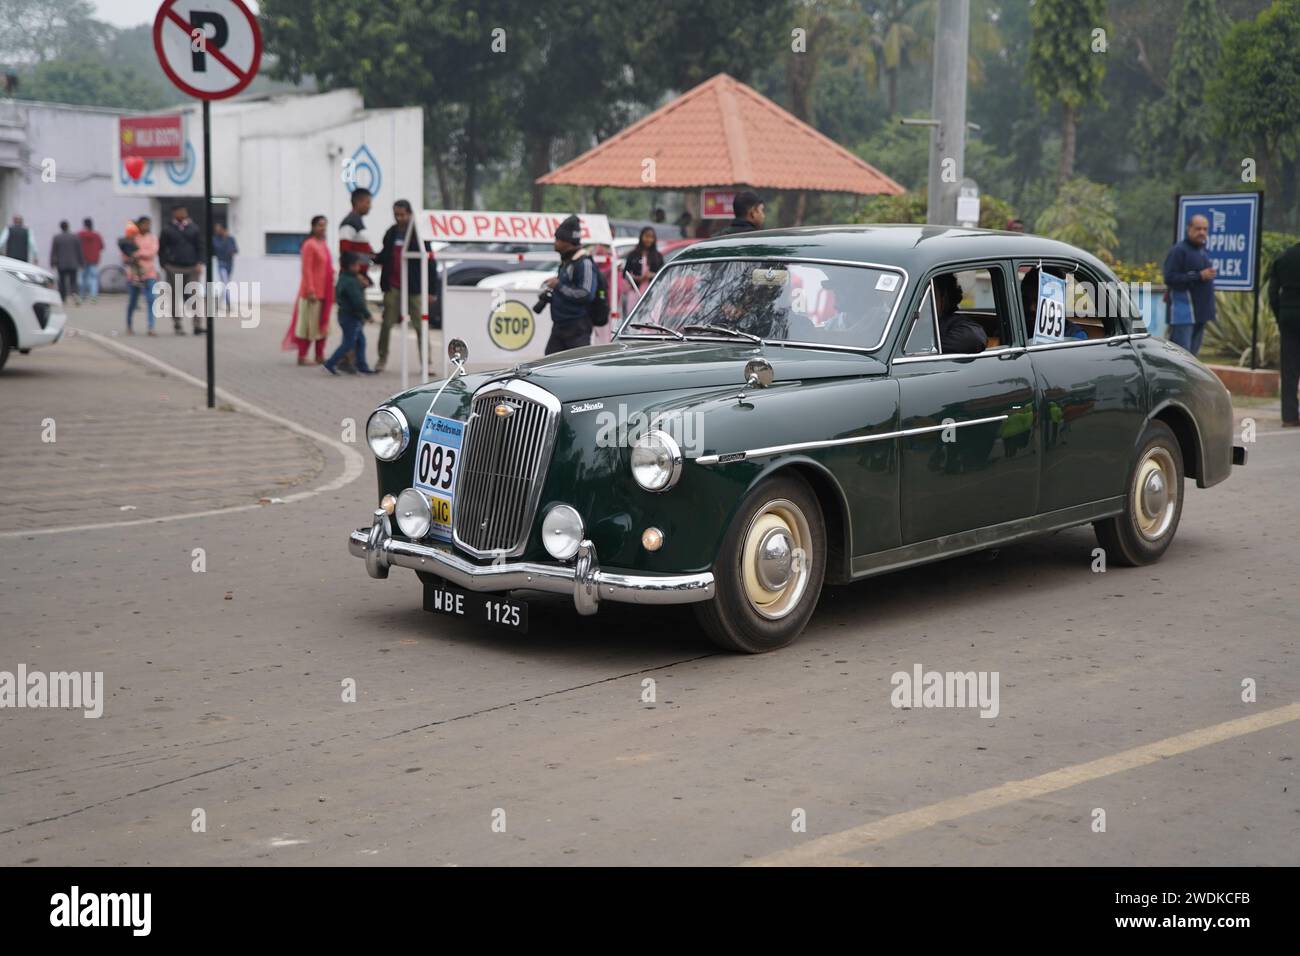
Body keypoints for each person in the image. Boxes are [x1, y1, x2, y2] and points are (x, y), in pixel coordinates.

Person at [375, 199, 436, 374]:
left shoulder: (420, 234)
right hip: (393, 286)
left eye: (402, 215)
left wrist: (431, 290)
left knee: (420, 326)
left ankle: (427, 362)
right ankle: (382, 358)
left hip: (415, 288)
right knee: (387, 324)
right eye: (396, 215)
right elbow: (385, 255)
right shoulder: (391, 233)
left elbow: (430, 263)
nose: (399, 218)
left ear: (410, 214)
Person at [1162, 214, 1217, 355]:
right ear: (1189, 229)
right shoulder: (1179, 251)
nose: (1202, 233)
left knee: (1193, 358)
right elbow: (1170, 278)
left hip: (1201, 313)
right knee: (1181, 357)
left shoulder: (1203, 251)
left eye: (1205, 229)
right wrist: (1199, 275)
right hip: (1184, 314)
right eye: (1198, 229)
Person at [282, 215, 333, 365]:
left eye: (325, 225)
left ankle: (319, 355)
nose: (322, 228)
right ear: (313, 227)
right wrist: (311, 290)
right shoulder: (309, 245)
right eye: (319, 225)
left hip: (324, 291)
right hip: (312, 293)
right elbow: (307, 269)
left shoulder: (323, 244)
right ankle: (302, 356)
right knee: (308, 326)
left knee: (322, 325)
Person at [543, 214, 597, 355]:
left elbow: (586, 293)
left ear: (568, 242)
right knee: (548, 367)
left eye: (558, 240)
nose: (555, 243)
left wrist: (559, 286)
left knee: (577, 369)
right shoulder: (567, 261)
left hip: (577, 328)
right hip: (560, 326)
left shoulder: (584, 262)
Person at [324, 252, 375, 375]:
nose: (359, 268)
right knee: (349, 343)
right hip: (351, 317)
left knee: (360, 341)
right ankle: (331, 363)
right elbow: (358, 302)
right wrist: (368, 315)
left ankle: (362, 365)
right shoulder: (351, 282)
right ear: (351, 266)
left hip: (347, 316)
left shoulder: (345, 278)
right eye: (357, 265)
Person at [1268, 239, 1300, 427]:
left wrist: (1280, 315)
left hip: (1287, 314)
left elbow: (1272, 292)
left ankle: (1289, 416)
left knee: (1289, 367)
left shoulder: (1283, 257)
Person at [159, 204, 205, 335]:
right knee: (175, 296)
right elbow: (161, 249)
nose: (182, 213)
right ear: (174, 213)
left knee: (194, 296)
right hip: (173, 266)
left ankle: (197, 325)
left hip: (191, 267)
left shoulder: (193, 228)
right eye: (179, 211)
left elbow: (200, 246)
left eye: (184, 211)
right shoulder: (167, 229)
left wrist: (200, 262)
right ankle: (177, 323)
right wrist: (164, 264)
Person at [1020, 267, 1088, 341]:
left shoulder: (1074, 336)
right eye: (1026, 299)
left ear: (1056, 301)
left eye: (1039, 301)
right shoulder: (1018, 327)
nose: (1031, 307)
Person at [933, 273, 986, 354]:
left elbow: (974, 337)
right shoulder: (912, 322)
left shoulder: (954, 323)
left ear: (944, 298)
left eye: (930, 295)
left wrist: (930, 347)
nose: (923, 302)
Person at [125, 217, 159, 336]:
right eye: (144, 224)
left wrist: (138, 253)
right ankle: (129, 324)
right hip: (134, 273)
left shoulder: (152, 238)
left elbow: (152, 252)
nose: (146, 226)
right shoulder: (132, 238)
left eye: (148, 224)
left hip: (149, 273)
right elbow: (126, 253)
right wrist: (134, 255)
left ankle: (151, 326)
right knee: (133, 301)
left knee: (151, 299)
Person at [623, 226, 663, 315]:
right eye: (646, 236)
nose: (648, 240)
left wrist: (652, 275)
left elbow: (663, 274)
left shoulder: (658, 256)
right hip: (635, 290)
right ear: (641, 237)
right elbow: (625, 273)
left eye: (651, 237)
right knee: (633, 316)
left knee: (650, 317)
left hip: (652, 292)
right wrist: (637, 278)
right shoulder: (633, 255)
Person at [49, 220, 83, 303]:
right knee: (73, 281)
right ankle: (74, 293)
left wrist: (52, 262)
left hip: (61, 263)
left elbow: (54, 251)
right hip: (73, 263)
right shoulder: (75, 237)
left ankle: (63, 298)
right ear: (68, 227)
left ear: (61, 227)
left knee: (62, 281)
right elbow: (79, 250)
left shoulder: (57, 237)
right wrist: (81, 262)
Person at [77, 218, 103, 303]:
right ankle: (94, 297)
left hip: (83, 259)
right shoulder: (97, 235)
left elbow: (76, 245)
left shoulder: (80, 234)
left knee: (83, 278)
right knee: (94, 278)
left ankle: (82, 295)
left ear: (84, 225)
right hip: (94, 259)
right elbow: (101, 246)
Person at [212, 222, 238, 306]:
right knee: (225, 282)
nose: (217, 231)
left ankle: (219, 300)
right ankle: (227, 302)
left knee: (226, 283)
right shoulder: (215, 239)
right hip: (221, 262)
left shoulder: (231, 239)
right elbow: (219, 249)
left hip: (229, 263)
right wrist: (224, 240)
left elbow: (234, 250)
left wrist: (227, 240)